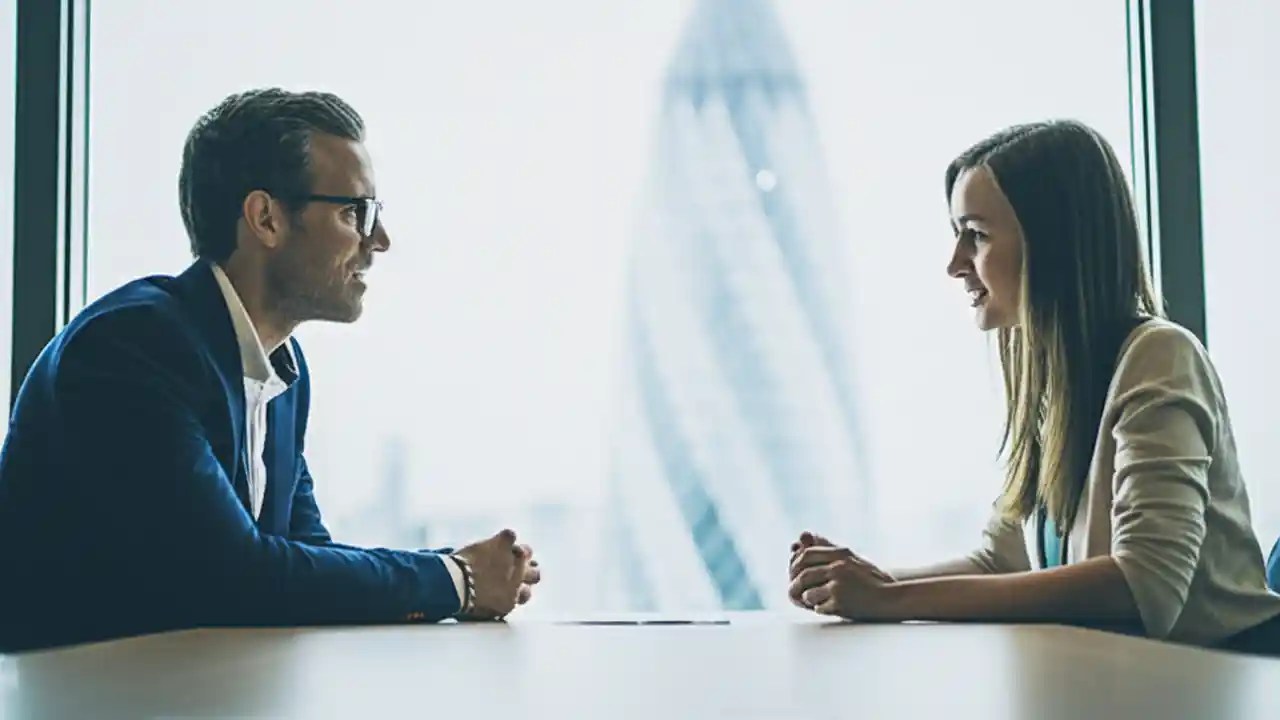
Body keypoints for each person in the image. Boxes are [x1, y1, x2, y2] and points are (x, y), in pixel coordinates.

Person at [0, 88, 540, 651]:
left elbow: (305, 559)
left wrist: (453, 570)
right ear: (265, 218)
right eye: (355, 211)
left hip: (187, 693)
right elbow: (234, 575)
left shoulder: (279, 367)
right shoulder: (135, 348)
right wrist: (458, 580)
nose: (379, 240)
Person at [788, 119, 1280, 652]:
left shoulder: (1159, 356)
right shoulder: (1050, 380)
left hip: (1222, 683)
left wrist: (889, 602)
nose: (955, 264)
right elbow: (999, 563)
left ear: (1053, 242)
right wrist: (866, 581)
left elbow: (1145, 585)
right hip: (1133, 686)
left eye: (975, 234)